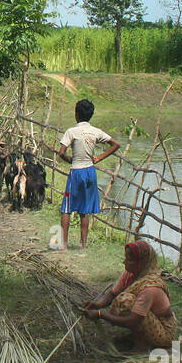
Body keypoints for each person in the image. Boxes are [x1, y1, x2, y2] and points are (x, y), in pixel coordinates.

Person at [82, 240, 176, 348]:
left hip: (164, 332)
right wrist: (98, 304)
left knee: (127, 301)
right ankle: (139, 338)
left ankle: (143, 344)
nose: (124, 262)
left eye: (129, 259)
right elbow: (113, 294)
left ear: (141, 262)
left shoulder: (150, 289)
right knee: (126, 301)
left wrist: (100, 314)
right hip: (150, 321)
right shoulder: (131, 273)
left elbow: (132, 321)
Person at [56, 99, 119, 250]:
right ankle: (83, 245)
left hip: (76, 172)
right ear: (91, 115)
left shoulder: (71, 131)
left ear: (76, 114)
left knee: (67, 207)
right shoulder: (96, 131)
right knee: (85, 209)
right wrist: (99, 158)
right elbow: (116, 144)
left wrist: (69, 159)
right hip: (90, 172)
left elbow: (61, 152)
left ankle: (63, 245)